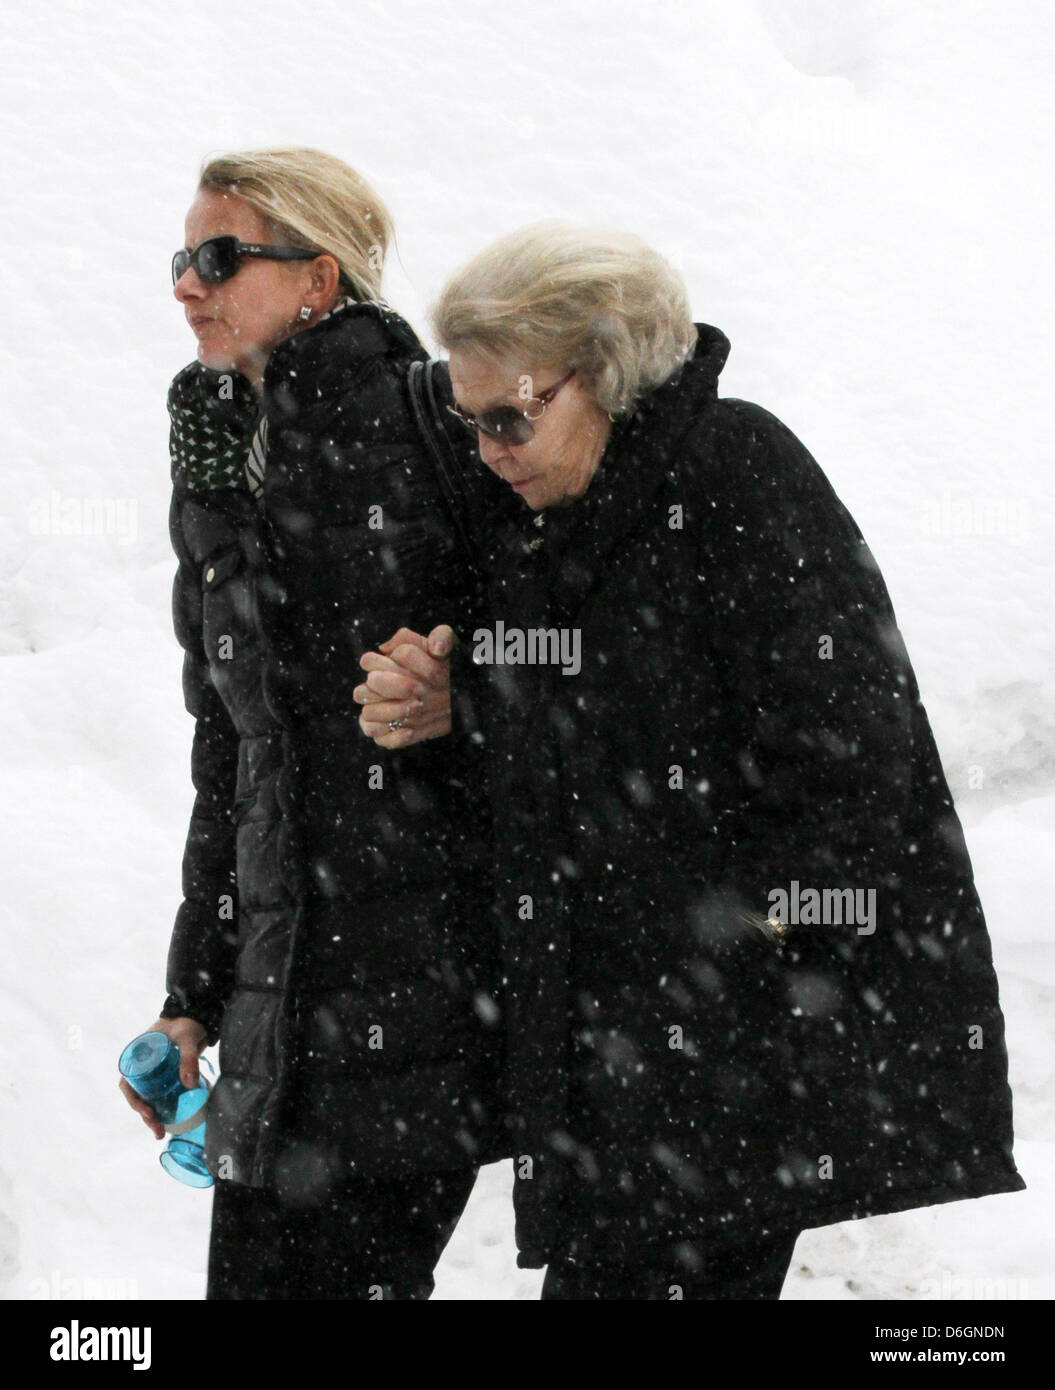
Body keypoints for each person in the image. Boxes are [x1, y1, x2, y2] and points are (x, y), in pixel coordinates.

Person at [355, 221, 1026, 1300]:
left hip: (720, 1065)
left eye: (508, 417)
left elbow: (850, 751)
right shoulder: (547, 514)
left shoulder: (737, 472)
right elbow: (596, 723)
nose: (487, 450)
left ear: (606, 375)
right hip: (608, 1059)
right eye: (463, 418)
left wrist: (751, 968)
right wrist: (454, 703)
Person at [119, 148, 506, 1299]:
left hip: (426, 996)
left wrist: (468, 691)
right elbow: (232, 756)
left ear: (317, 279)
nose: (188, 283)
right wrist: (195, 995)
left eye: (220, 256)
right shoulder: (217, 463)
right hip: (288, 1007)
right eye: (182, 259)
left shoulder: (442, 423)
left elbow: (586, 647)